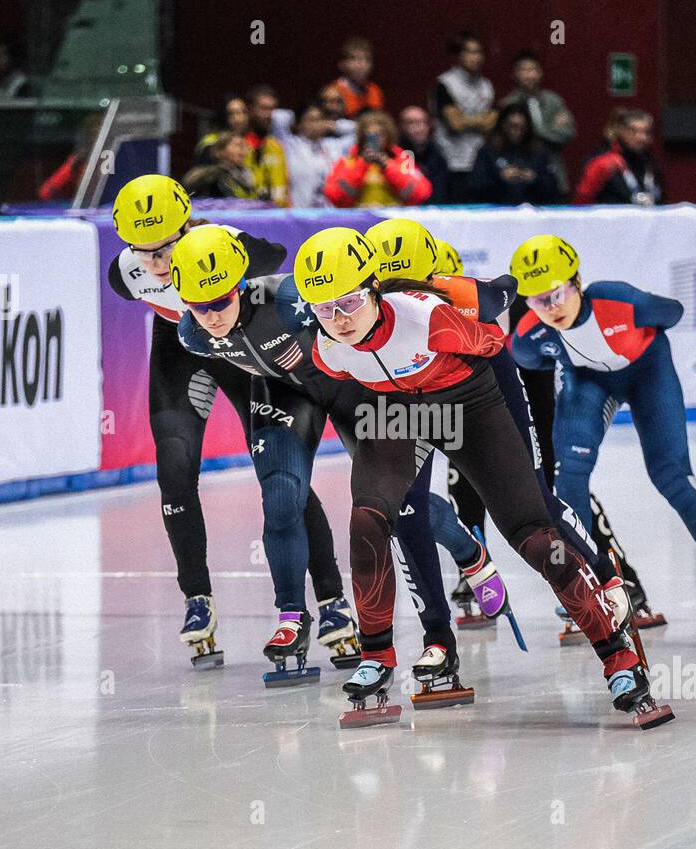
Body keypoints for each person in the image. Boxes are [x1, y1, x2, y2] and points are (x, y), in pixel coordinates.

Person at [294, 227, 674, 728]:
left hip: (470, 406)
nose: (339, 320)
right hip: (399, 412)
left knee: (534, 536)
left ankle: (615, 651)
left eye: (347, 302)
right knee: (367, 521)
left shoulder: (429, 315)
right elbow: (341, 381)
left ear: (374, 288)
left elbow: (495, 340)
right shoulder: (327, 347)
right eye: (324, 309)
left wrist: (466, 302)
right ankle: (376, 655)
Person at [167, 226, 488, 696]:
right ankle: (292, 616)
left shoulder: (290, 299)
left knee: (398, 506)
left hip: (349, 388)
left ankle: (467, 550)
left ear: (239, 284)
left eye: (220, 301)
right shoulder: (192, 334)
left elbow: (356, 296)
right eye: (200, 306)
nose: (212, 315)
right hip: (285, 396)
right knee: (280, 495)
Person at [106, 175, 357, 664]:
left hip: (242, 350)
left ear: (188, 228)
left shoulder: (228, 245)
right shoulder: (125, 274)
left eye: (167, 249)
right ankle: (196, 598)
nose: (156, 265)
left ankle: (330, 599)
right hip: (183, 349)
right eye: (144, 252)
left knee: (282, 478)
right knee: (174, 468)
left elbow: (278, 261)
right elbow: (142, 283)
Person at [360, 218, 640, 638]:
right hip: (411, 398)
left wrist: (472, 298)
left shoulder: (456, 292)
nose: (400, 298)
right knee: (408, 505)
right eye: (388, 286)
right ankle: (462, 574)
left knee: (534, 497)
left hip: (483, 392)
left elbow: (508, 291)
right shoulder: (359, 310)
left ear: (429, 275)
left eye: (409, 285)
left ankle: (603, 568)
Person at [508, 234, 696, 647]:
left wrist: (632, 338)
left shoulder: (619, 300)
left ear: (577, 281)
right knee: (567, 481)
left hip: (648, 371)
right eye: (537, 301)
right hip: (590, 382)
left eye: (557, 294)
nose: (551, 309)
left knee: (671, 475)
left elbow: (671, 312)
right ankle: (584, 583)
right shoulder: (529, 335)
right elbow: (527, 358)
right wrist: (569, 362)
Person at [432, 30, 497, 203]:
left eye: (479, 52)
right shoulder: (445, 84)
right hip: (451, 161)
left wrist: (466, 119)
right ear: (459, 55)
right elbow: (455, 124)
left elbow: (493, 123)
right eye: (470, 51)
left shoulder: (486, 85)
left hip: (479, 160)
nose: (476, 57)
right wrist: (481, 120)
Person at [500, 49, 576, 195]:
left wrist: (533, 130)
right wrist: (549, 128)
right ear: (515, 74)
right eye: (524, 70)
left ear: (540, 73)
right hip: (521, 174)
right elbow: (512, 138)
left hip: (554, 172)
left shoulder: (554, 101)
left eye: (533, 70)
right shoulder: (508, 104)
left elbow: (568, 133)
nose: (529, 75)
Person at [323, 111, 432, 207]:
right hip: (359, 223)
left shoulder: (402, 160)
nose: (376, 139)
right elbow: (334, 196)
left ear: (389, 135)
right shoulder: (349, 161)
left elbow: (422, 193)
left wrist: (387, 166)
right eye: (370, 135)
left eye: (381, 134)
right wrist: (362, 165)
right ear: (362, 136)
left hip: (393, 222)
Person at [467, 102, 562, 205]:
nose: (516, 131)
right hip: (496, 209)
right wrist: (500, 178)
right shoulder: (488, 150)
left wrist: (535, 179)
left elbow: (553, 188)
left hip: (532, 210)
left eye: (522, 127)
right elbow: (475, 186)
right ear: (502, 125)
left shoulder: (538, 151)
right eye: (512, 126)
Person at [574, 108, 663, 205]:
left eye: (646, 132)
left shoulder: (650, 162)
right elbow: (581, 203)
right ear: (620, 131)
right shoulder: (602, 163)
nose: (641, 137)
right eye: (633, 131)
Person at [276, 102, 344, 208]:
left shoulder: (333, 145)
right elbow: (278, 117)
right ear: (299, 124)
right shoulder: (290, 144)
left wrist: (334, 125)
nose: (316, 124)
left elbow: (354, 131)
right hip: (300, 213)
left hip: (328, 214)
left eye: (320, 119)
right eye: (311, 120)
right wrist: (294, 117)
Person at [243, 85, 290, 207]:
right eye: (263, 108)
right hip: (244, 216)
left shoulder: (276, 146)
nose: (268, 114)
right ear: (250, 109)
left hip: (276, 217)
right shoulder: (237, 145)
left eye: (271, 109)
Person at [181, 133, 258, 200]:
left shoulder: (245, 176)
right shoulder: (208, 177)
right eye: (238, 146)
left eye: (245, 146)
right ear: (220, 151)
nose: (244, 151)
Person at [397, 106, 449, 204]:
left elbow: (441, 192)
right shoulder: (394, 154)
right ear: (401, 127)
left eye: (421, 122)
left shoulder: (438, 155)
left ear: (428, 126)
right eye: (411, 123)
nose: (417, 128)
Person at [328, 37, 384, 119]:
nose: (361, 65)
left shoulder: (375, 91)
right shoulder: (333, 92)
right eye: (354, 59)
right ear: (342, 64)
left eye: (366, 59)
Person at [193, 95, 250, 165]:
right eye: (232, 113)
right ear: (224, 116)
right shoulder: (211, 143)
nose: (240, 118)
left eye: (244, 112)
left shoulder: (248, 143)